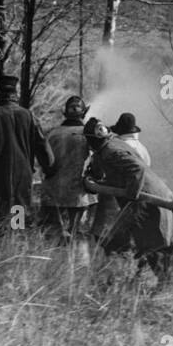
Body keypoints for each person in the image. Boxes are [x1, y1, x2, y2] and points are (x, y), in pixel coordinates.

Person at [82, 117, 173, 286]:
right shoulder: (110, 146)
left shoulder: (112, 150)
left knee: (145, 243)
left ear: (94, 139)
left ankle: (159, 285)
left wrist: (132, 199)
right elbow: (112, 174)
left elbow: (137, 169)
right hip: (145, 196)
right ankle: (152, 283)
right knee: (144, 242)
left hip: (146, 199)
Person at [0, 74, 53, 232]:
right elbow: (44, 148)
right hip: (22, 179)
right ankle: (14, 247)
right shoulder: (29, 116)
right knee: (17, 219)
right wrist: (48, 168)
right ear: (15, 94)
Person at [38, 96, 97, 244]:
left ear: (65, 112)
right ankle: (78, 266)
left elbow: (43, 163)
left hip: (52, 195)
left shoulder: (52, 134)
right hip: (79, 197)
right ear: (84, 113)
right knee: (79, 239)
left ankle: (51, 266)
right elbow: (97, 164)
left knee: (53, 240)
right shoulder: (88, 135)